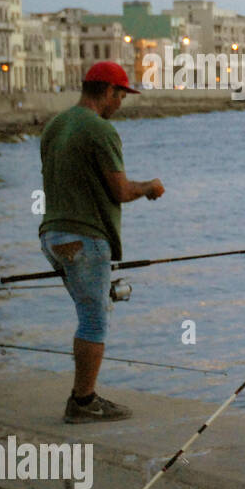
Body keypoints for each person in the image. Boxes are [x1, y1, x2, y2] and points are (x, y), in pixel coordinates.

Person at [38, 61, 165, 423]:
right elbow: (121, 191)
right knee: (94, 319)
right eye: (121, 95)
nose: (121, 104)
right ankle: (83, 402)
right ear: (108, 92)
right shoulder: (100, 130)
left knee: (88, 311)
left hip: (52, 234)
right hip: (84, 236)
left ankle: (84, 396)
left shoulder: (54, 125)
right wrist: (150, 187)